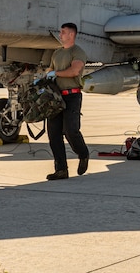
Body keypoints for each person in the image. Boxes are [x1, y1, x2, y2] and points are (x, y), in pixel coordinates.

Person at [45, 22, 90, 180]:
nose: (60, 34)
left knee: (71, 130)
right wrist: (46, 76)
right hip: (56, 98)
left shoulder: (78, 52)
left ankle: (83, 154)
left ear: (71, 34)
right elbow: (50, 70)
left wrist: (55, 73)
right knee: (54, 134)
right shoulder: (56, 53)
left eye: (63, 32)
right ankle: (61, 170)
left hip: (72, 96)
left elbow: (74, 71)